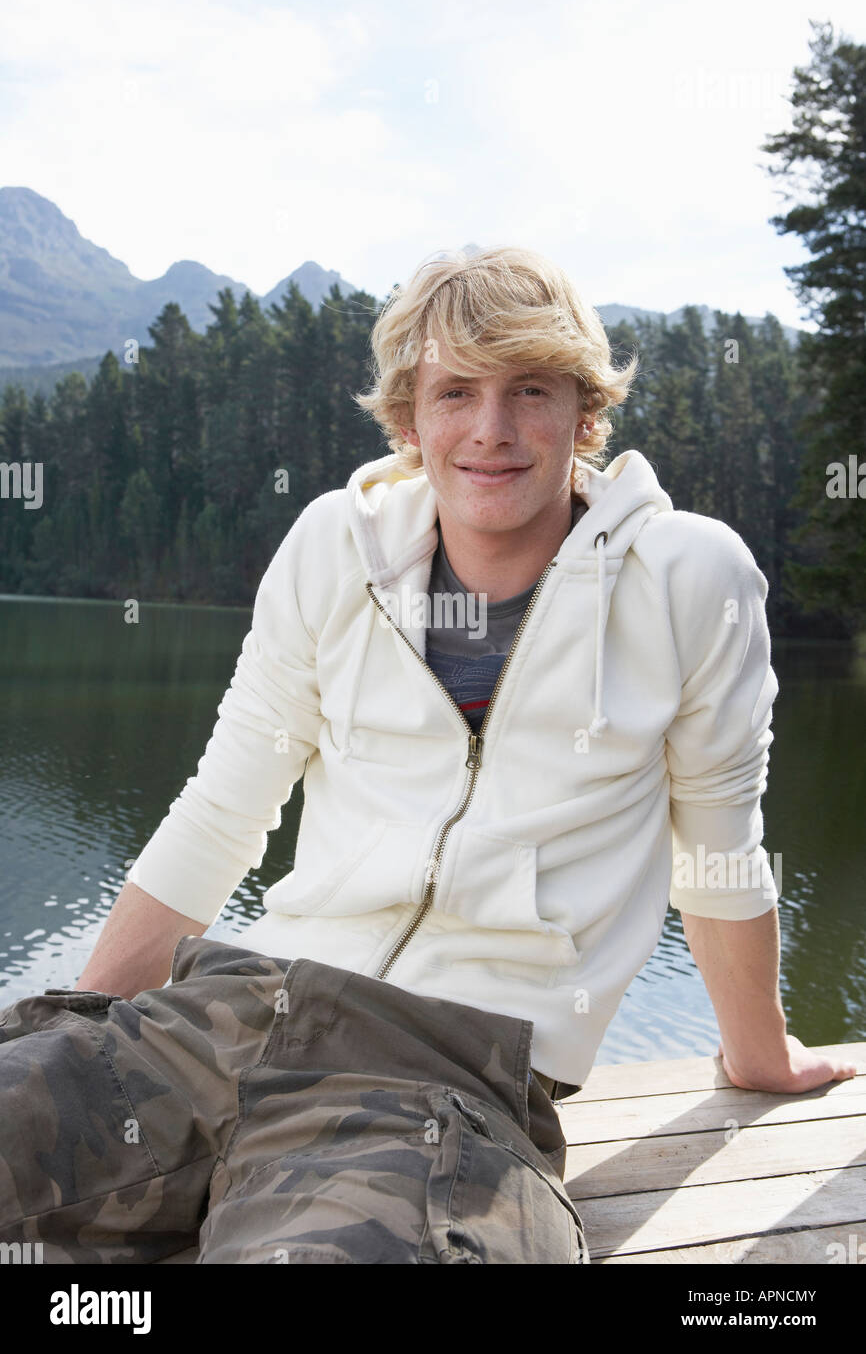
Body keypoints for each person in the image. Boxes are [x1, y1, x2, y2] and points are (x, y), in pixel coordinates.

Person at [0, 246, 855, 1266]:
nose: (490, 430)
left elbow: (715, 844)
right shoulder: (333, 545)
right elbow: (222, 809)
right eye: (455, 392)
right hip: (232, 1011)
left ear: (584, 412)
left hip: (437, 1079)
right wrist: (86, 1049)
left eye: (528, 390)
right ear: (409, 418)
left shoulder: (688, 577)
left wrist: (756, 1053)